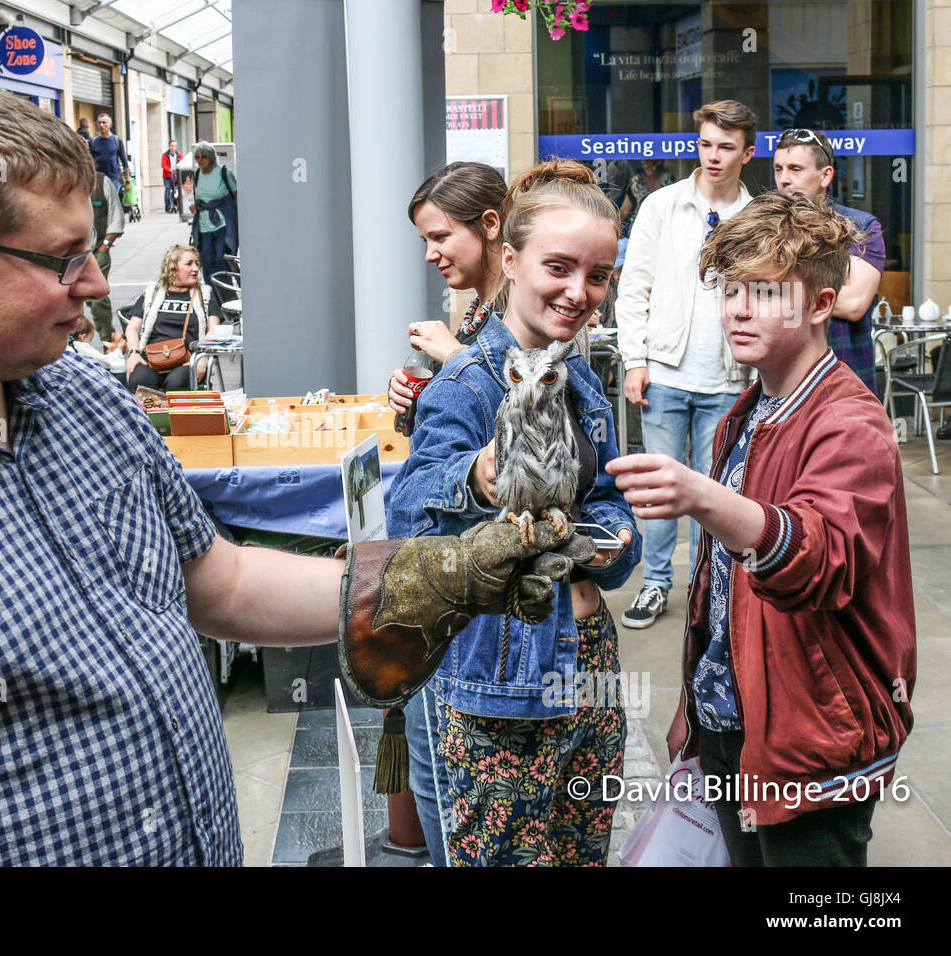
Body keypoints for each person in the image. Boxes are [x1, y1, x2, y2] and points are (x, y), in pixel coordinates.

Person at [0, 76, 553, 867]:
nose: (95, 285)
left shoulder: (79, 393)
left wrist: (425, 575)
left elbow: (224, 580)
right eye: (62, 260)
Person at [609, 192, 916, 866]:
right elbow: (721, 592)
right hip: (734, 720)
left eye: (767, 291)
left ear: (819, 304)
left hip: (813, 733)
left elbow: (818, 558)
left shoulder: (850, 423)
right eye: (731, 290)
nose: (739, 309)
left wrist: (699, 495)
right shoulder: (746, 413)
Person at [388, 161, 641, 866]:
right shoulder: (466, 384)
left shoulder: (582, 381)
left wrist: (609, 537)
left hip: (588, 669)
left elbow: (608, 505)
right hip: (502, 681)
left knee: (581, 853)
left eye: (598, 276)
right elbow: (408, 509)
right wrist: (477, 472)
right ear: (510, 259)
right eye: (558, 267)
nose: (578, 291)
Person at [614, 100, 758, 630]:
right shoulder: (661, 206)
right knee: (657, 493)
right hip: (665, 375)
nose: (713, 156)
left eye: (725, 146)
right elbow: (634, 289)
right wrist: (635, 359)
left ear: (747, 151)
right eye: (705, 144)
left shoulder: (757, 216)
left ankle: (707, 587)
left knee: (714, 494)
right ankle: (654, 585)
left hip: (727, 379)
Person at [387, 161, 596, 425]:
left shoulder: (534, 303)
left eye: (440, 237)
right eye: (426, 241)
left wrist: (454, 355)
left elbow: (546, 408)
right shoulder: (488, 303)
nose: (430, 255)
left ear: (490, 223)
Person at [772, 128, 884, 395]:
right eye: (778, 169)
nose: (784, 179)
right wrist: (827, 290)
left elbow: (854, 304)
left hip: (845, 380)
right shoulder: (766, 227)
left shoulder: (861, 227)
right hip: (782, 380)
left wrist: (777, 287)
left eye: (795, 169)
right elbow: (749, 295)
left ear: (826, 175)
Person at [123, 244, 223, 392]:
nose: (196, 269)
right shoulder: (153, 292)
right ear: (172, 267)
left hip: (186, 360)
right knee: (139, 382)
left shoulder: (205, 294)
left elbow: (213, 330)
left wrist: (202, 356)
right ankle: (146, 416)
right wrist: (133, 353)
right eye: (189, 264)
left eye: (197, 264)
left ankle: (171, 416)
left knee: (176, 385)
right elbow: (132, 328)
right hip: (152, 358)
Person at [87, 162, 125, 344]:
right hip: (71, 253)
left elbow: (116, 215)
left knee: (97, 295)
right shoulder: (63, 182)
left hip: (98, 250)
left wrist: (106, 245)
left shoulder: (102, 182)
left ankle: (106, 339)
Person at [189, 143, 237, 279]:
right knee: (207, 261)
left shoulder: (224, 173)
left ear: (211, 157)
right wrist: (195, 208)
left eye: (204, 156)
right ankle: (211, 295)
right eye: (197, 157)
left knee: (221, 261)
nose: (200, 160)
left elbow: (236, 195)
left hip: (223, 224)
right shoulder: (197, 174)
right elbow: (198, 198)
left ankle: (224, 294)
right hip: (204, 226)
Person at [617, 158, 676, 238]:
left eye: (648, 160)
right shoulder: (637, 181)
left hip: (663, 230)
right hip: (639, 230)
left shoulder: (669, 180)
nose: (645, 163)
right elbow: (624, 211)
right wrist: (615, 230)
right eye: (643, 160)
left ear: (658, 161)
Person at [89, 112, 130, 190]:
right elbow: (89, 162)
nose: (101, 125)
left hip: (114, 180)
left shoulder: (117, 141)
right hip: (98, 180)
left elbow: (124, 161)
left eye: (104, 122)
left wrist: (127, 181)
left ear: (110, 124)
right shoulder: (93, 142)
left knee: (114, 202)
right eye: (99, 123)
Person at [161, 140, 182, 214]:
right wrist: (169, 169)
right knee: (168, 190)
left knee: (177, 190)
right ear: (169, 146)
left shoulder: (179, 154)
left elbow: (182, 163)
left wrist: (177, 169)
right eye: (172, 146)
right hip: (167, 176)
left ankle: (178, 206)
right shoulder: (165, 155)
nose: (173, 147)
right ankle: (168, 206)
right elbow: (163, 165)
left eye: (175, 146)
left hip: (176, 175)